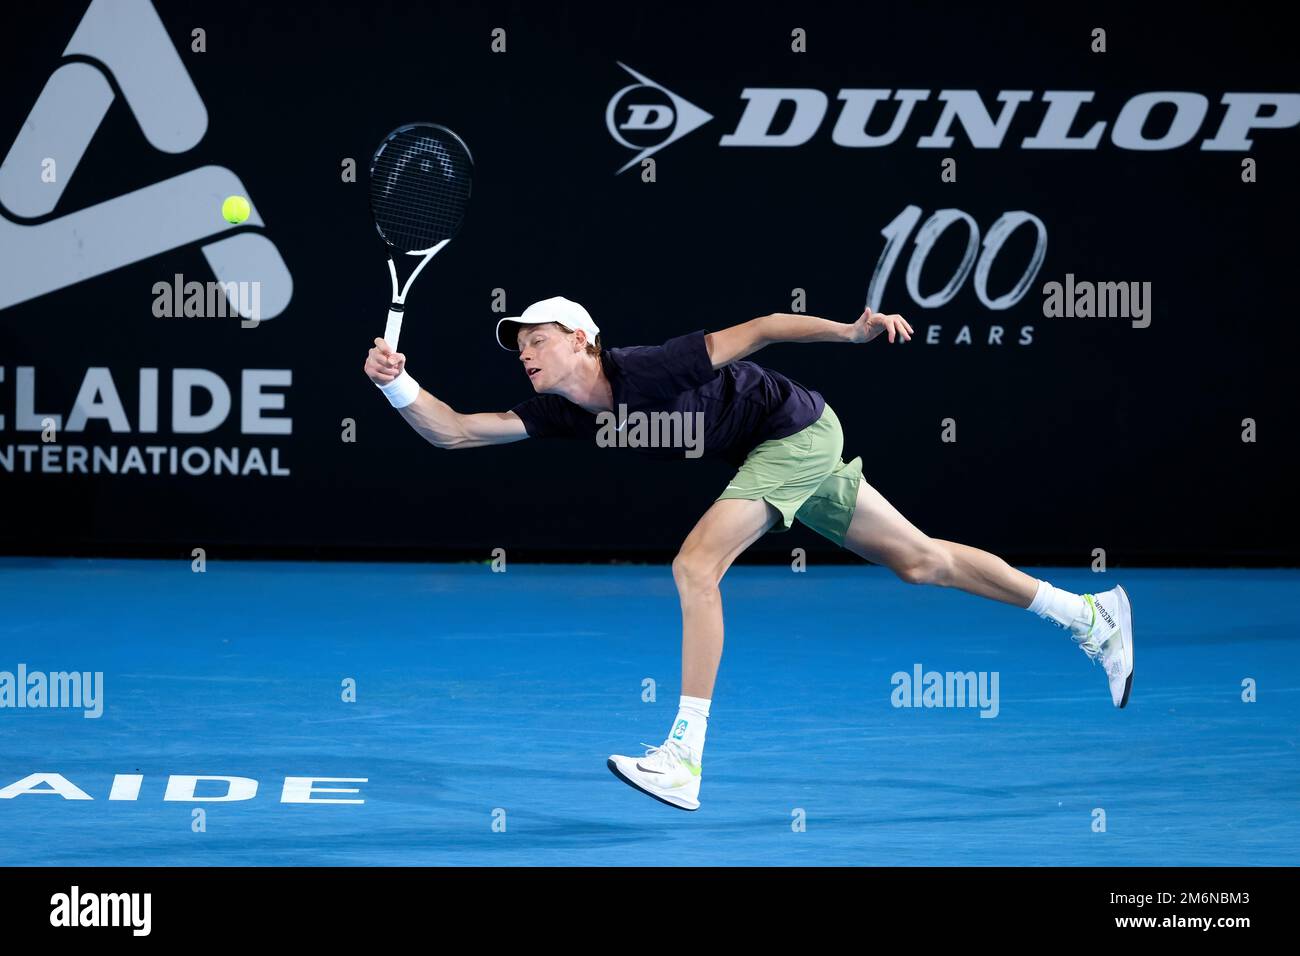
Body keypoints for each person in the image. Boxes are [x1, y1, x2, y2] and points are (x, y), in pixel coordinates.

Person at [363, 295, 1134, 811]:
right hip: (777, 448)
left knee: (694, 566)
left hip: (792, 431)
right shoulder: (562, 412)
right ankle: (1090, 614)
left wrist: (850, 333)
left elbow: (762, 327)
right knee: (921, 561)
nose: (526, 354)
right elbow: (455, 429)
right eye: (520, 346)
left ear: (582, 340)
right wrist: (398, 387)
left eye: (539, 340)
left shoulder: (646, 367)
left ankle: (684, 757)